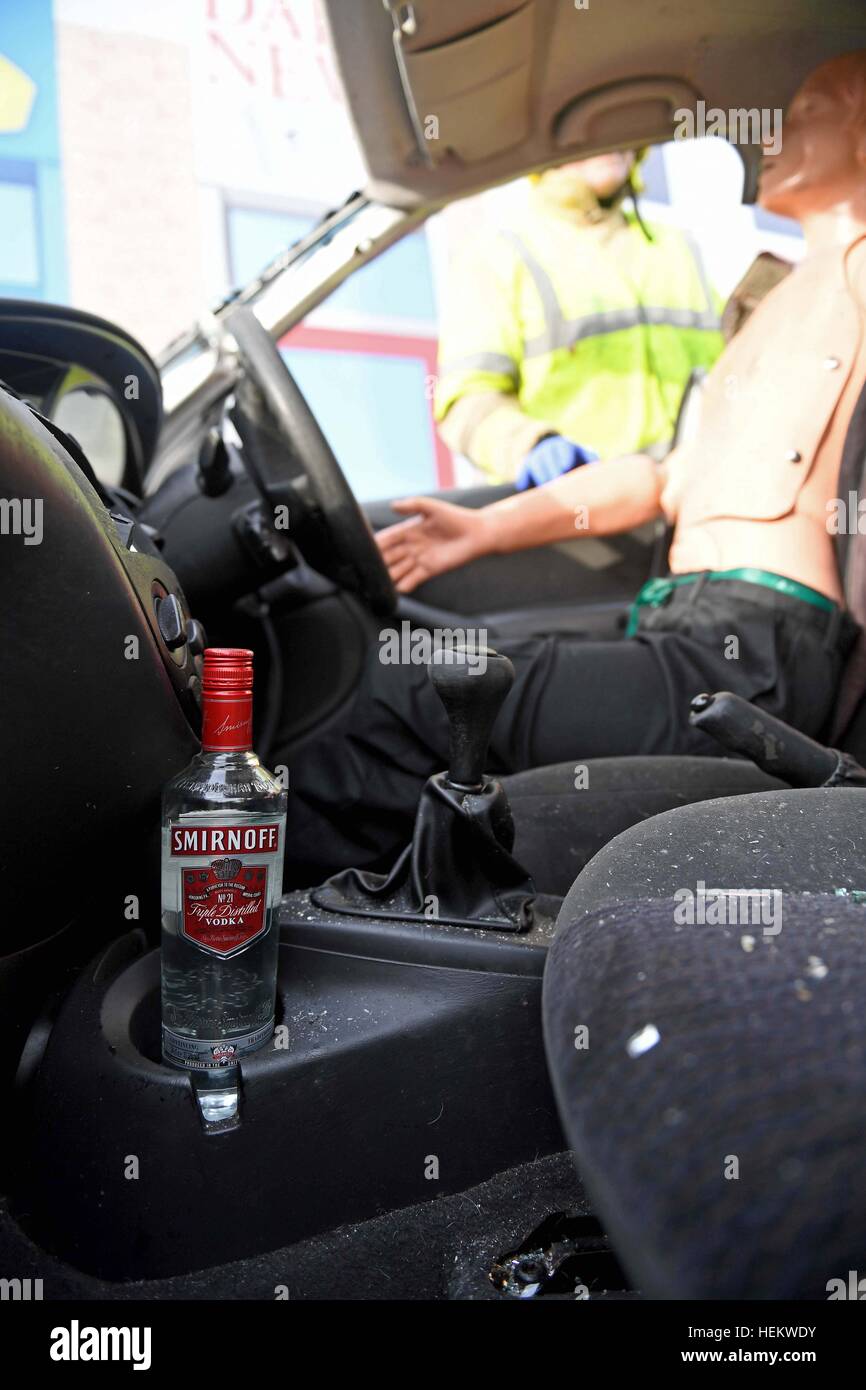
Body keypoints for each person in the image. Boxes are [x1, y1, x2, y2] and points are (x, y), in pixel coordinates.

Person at [285, 52, 866, 885]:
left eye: (812, 107)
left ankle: (220, 936)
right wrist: (485, 530)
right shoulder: (766, 299)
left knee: (423, 696)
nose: (774, 129)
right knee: (424, 662)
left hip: (754, 652)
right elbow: (660, 476)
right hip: (674, 616)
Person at [434, 151, 724, 488]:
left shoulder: (677, 249)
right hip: (580, 512)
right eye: (593, 132)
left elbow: (736, 371)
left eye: (623, 128)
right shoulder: (500, 256)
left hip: (698, 499)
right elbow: (469, 401)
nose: (611, 144)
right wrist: (531, 445)